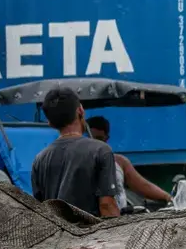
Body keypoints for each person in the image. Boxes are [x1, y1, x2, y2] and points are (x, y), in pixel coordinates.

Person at [30, 86, 121, 218]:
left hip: (58, 237)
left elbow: (40, 211)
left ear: (50, 123)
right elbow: (107, 205)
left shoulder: (39, 159)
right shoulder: (101, 150)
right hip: (93, 236)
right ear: (80, 110)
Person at [85, 116, 171, 212]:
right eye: (91, 139)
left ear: (106, 138)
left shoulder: (119, 161)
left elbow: (142, 185)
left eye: (99, 139)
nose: (96, 143)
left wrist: (168, 197)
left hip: (120, 218)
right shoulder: (82, 161)